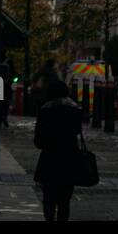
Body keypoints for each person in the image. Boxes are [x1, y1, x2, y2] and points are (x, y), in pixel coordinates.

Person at [34, 79, 83, 222]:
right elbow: (77, 131)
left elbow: (38, 141)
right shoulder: (75, 109)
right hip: (69, 158)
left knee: (48, 198)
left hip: (49, 159)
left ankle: (49, 218)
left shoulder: (45, 109)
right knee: (64, 200)